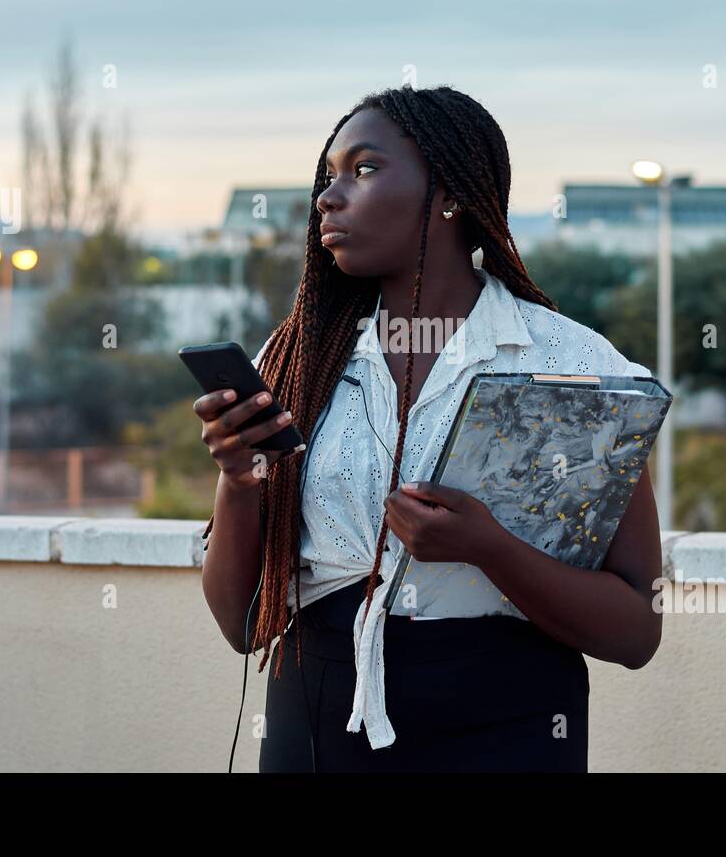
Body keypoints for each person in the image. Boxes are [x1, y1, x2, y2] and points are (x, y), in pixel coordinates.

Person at [197, 85, 663, 772]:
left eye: (362, 169)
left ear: (448, 194)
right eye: (328, 176)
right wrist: (239, 481)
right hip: (317, 720)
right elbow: (239, 622)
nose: (328, 197)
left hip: (508, 724)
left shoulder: (572, 365)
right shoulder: (295, 360)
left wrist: (488, 548)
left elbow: (634, 632)